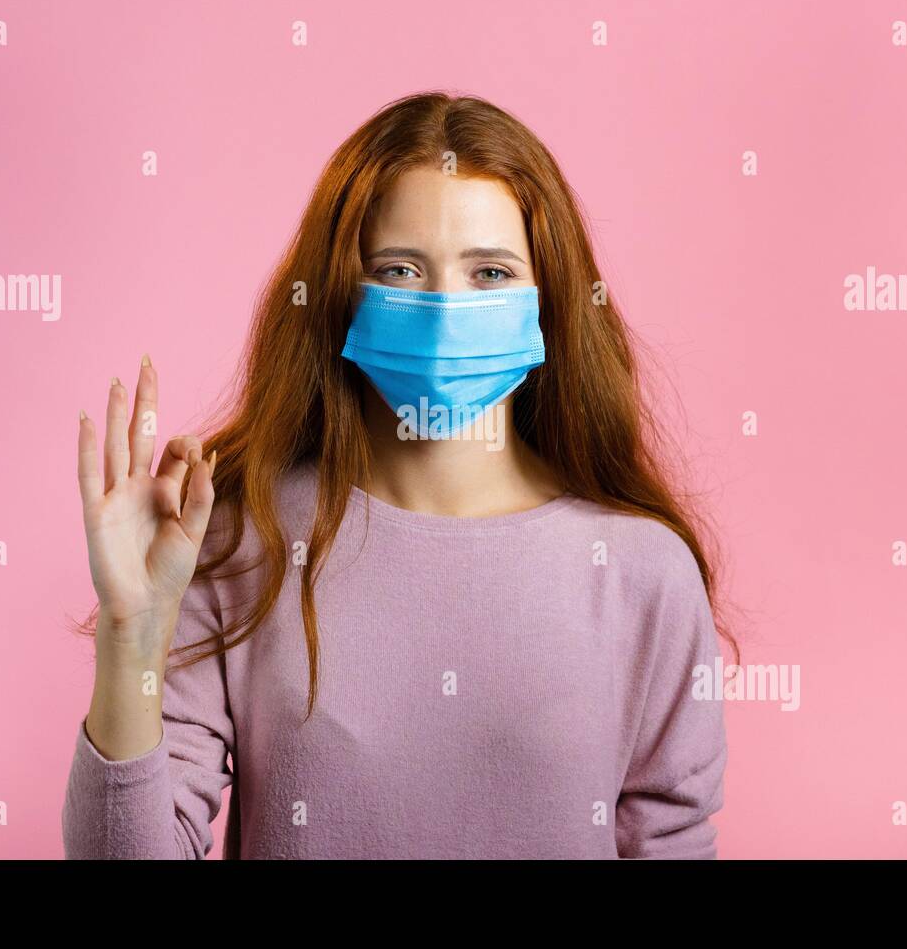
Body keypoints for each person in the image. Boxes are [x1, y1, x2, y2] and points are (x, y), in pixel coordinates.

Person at [62, 91, 732, 859]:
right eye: (401, 269)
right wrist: (131, 639)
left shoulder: (643, 572)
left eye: (490, 272)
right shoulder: (239, 539)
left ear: (549, 299)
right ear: (342, 292)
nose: (445, 308)